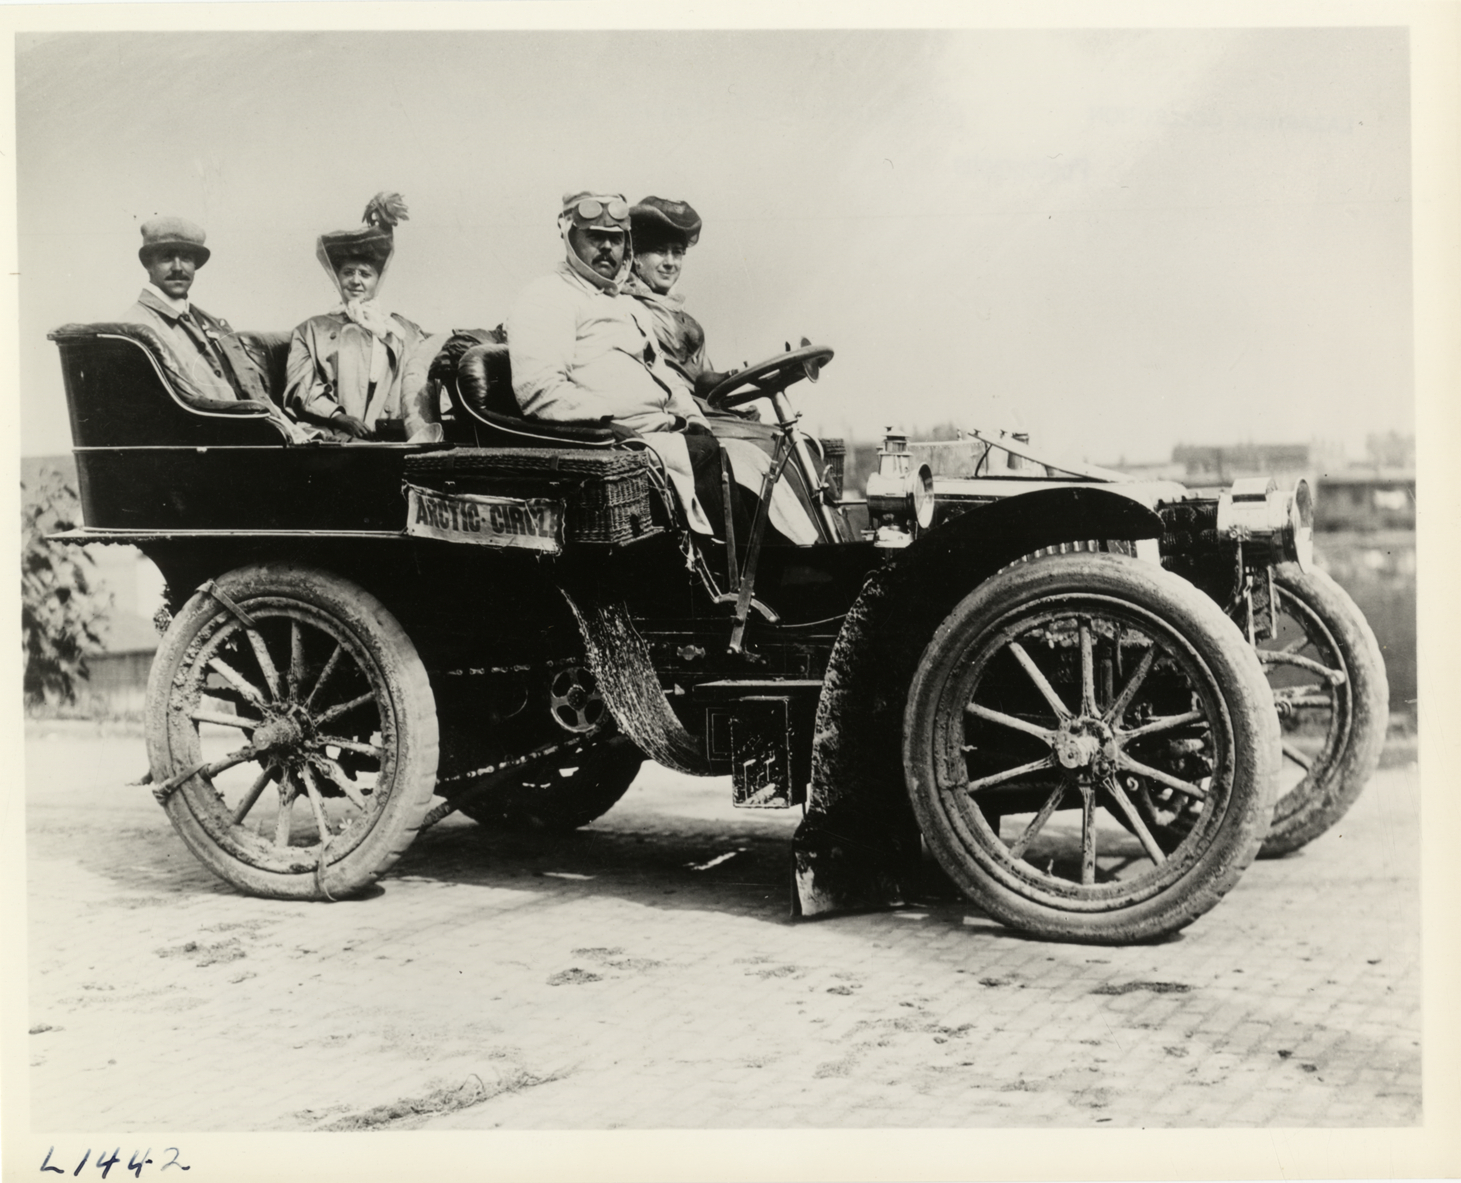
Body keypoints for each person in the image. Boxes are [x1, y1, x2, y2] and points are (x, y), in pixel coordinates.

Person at [506, 191, 722, 532]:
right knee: (708, 458)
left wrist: (695, 418)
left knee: (732, 455)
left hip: (658, 436)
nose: (607, 248)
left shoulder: (629, 306)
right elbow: (540, 391)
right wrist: (608, 425)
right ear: (570, 237)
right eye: (595, 237)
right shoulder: (547, 296)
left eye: (616, 239)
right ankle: (724, 580)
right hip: (612, 445)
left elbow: (663, 374)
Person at [284, 193, 438, 442]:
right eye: (348, 273)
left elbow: (421, 383)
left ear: (378, 280)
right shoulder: (311, 330)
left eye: (365, 274)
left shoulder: (402, 331)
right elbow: (300, 386)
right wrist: (339, 417)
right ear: (338, 278)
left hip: (393, 438)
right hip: (333, 434)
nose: (355, 281)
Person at [121, 216, 275, 405]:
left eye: (186, 258)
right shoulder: (136, 326)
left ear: (195, 266)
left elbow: (257, 396)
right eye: (167, 257)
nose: (178, 268)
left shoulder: (212, 322)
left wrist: (296, 433)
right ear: (149, 265)